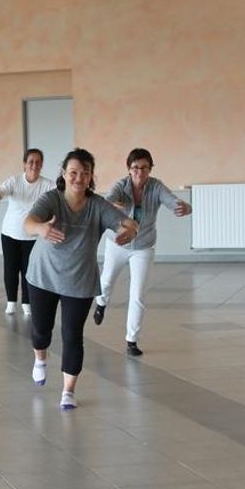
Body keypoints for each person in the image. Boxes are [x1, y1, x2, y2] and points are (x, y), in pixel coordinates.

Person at [24, 149, 137, 410]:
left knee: (72, 335)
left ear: (90, 177)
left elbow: (128, 223)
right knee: (41, 330)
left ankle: (68, 391)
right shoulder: (52, 198)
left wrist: (129, 232)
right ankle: (40, 359)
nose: (78, 178)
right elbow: (28, 222)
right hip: (43, 275)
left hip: (80, 280)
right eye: (73, 172)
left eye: (84, 173)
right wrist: (41, 228)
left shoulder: (97, 205)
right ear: (64, 174)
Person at [91, 148, 191, 357]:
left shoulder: (156, 186)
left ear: (150, 169)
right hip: (117, 243)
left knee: (137, 294)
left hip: (143, 247)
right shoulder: (121, 185)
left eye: (144, 168)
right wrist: (112, 204)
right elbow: (107, 200)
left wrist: (183, 207)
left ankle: (132, 340)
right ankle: (101, 303)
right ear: (129, 169)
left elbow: (172, 201)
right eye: (135, 168)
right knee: (106, 281)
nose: (139, 172)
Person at [0, 148, 52, 316]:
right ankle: (11, 302)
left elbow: (58, 196)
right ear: (25, 164)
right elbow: (0, 191)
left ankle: (27, 302)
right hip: (10, 234)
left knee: (28, 270)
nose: (34, 165)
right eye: (31, 161)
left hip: (32, 236)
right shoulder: (15, 181)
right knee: (10, 268)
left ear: (42, 165)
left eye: (38, 162)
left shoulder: (47, 184)